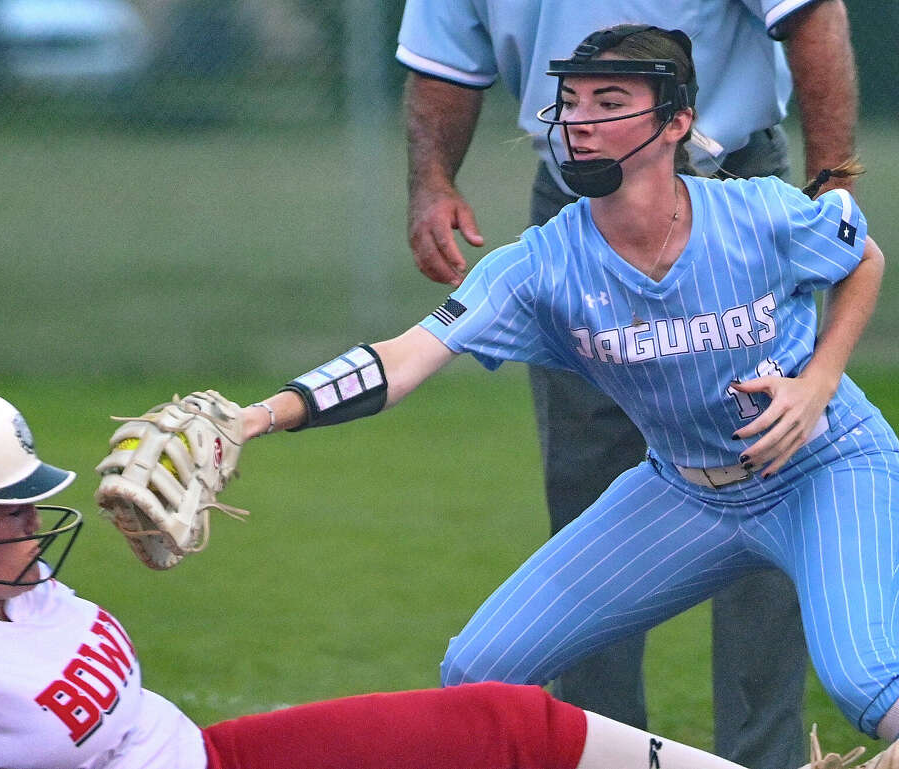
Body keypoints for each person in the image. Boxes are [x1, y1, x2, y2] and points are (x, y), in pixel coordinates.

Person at [214, 24, 898, 753]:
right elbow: (403, 358)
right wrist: (256, 416)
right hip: (687, 492)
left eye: (608, 101)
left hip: (825, 467)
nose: (579, 120)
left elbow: (862, 256)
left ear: (676, 122)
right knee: (480, 671)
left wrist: (819, 382)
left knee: (869, 682)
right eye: (569, 100)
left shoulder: (755, 211)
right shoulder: (543, 263)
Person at [0, 373, 827, 769]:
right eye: (7, 505)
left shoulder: (15, 587)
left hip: (219, 756)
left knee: (506, 723)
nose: (36, 517)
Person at [397, 1, 858, 765]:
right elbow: (447, 55)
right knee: (584, 487)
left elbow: (813, 12)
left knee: (770, 466)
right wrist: (432, 178)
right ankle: (600, 750)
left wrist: (831, 183)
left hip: (735, 177)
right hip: (581, 195)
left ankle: (763, 756)